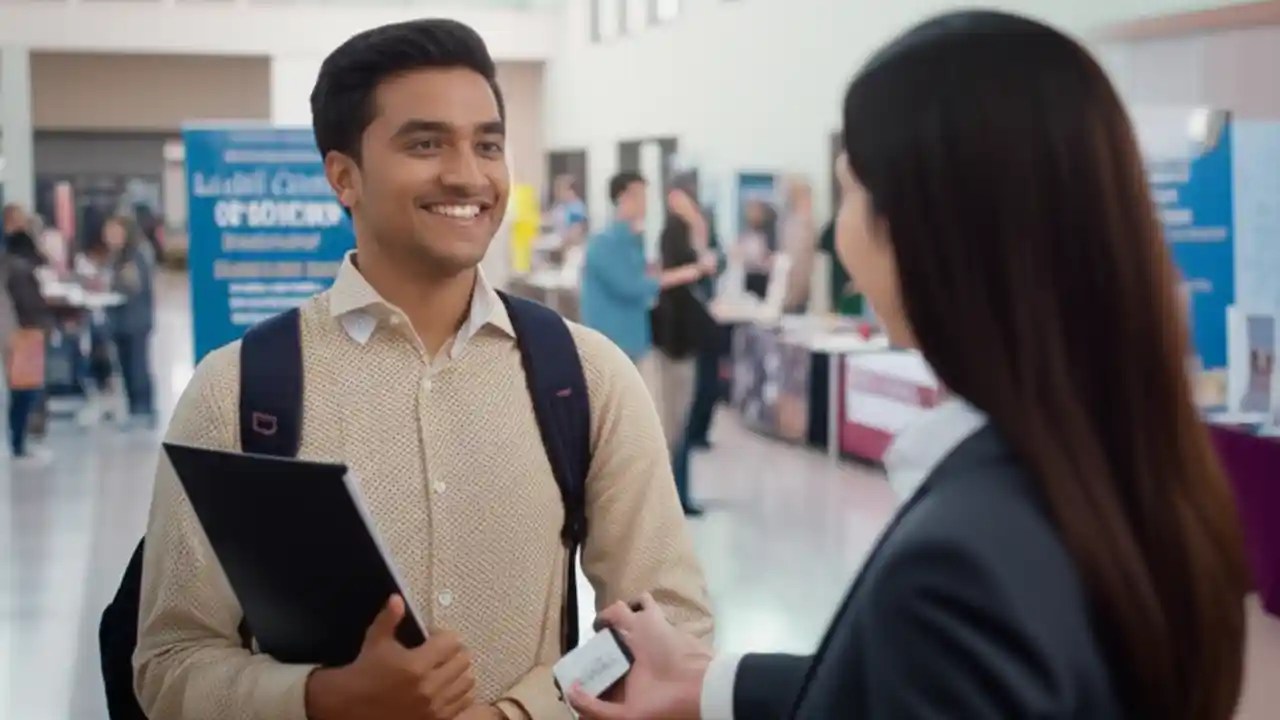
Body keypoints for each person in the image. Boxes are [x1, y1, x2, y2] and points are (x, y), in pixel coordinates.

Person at [569, 11, 1248, 720]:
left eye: (851, 193)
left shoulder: (961, 569)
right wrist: (709, 683)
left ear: (926, 226)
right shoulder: (1130, 474)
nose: (838, 233)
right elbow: (900, 684)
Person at [134, 19, 712, 720]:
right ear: (343, 176)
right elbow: (169, 664)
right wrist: (324, 698)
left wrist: (523, 712)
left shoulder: (586, 378)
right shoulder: (239, 390)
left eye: (488, 145)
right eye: (426, 144)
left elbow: (666, 628)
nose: (468, 175)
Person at [579, 173, 710, 371]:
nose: (645, 204)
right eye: (639, 196)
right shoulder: (604, 244)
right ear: (622, 198)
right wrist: (687, 273)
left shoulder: (634, 241)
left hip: (634, 340)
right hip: (612, 342)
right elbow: (631, 286)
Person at [650, 188, 718, 516]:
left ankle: (679, 491)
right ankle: (673, 493)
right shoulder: (673, 234)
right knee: (675, 419)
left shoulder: (693, 233)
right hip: (676, 338)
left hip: (687, 337)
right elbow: (663, 278)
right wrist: (698, 268)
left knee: (683, 417)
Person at [3, 204, 53, 466]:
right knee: (24, 390)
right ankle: (19, 444)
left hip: (19, 331)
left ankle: (19, 442)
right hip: (24, 333)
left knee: (21, 388)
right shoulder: (20, 268)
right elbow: (29, 303)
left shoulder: (12, 264)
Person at [103, 215, 157, 429]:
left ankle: (143, 409)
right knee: (125, 367)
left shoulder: (135, 256)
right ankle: (133, 406)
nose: (109, 237)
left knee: (137, 366)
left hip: (135, 320)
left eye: (114, 233)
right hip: (119, 321)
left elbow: (134, 285)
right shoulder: (115, 257)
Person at [779, 178, 816, 314]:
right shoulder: (790, 222)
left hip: (800, 292)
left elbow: (803, 262)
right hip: (791, 291)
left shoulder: (805, 223)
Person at [737, 199, 776, 299]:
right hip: (747, 277)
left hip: (762, 279)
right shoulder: (745, 235)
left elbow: (770, 259)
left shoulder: (769, 236)